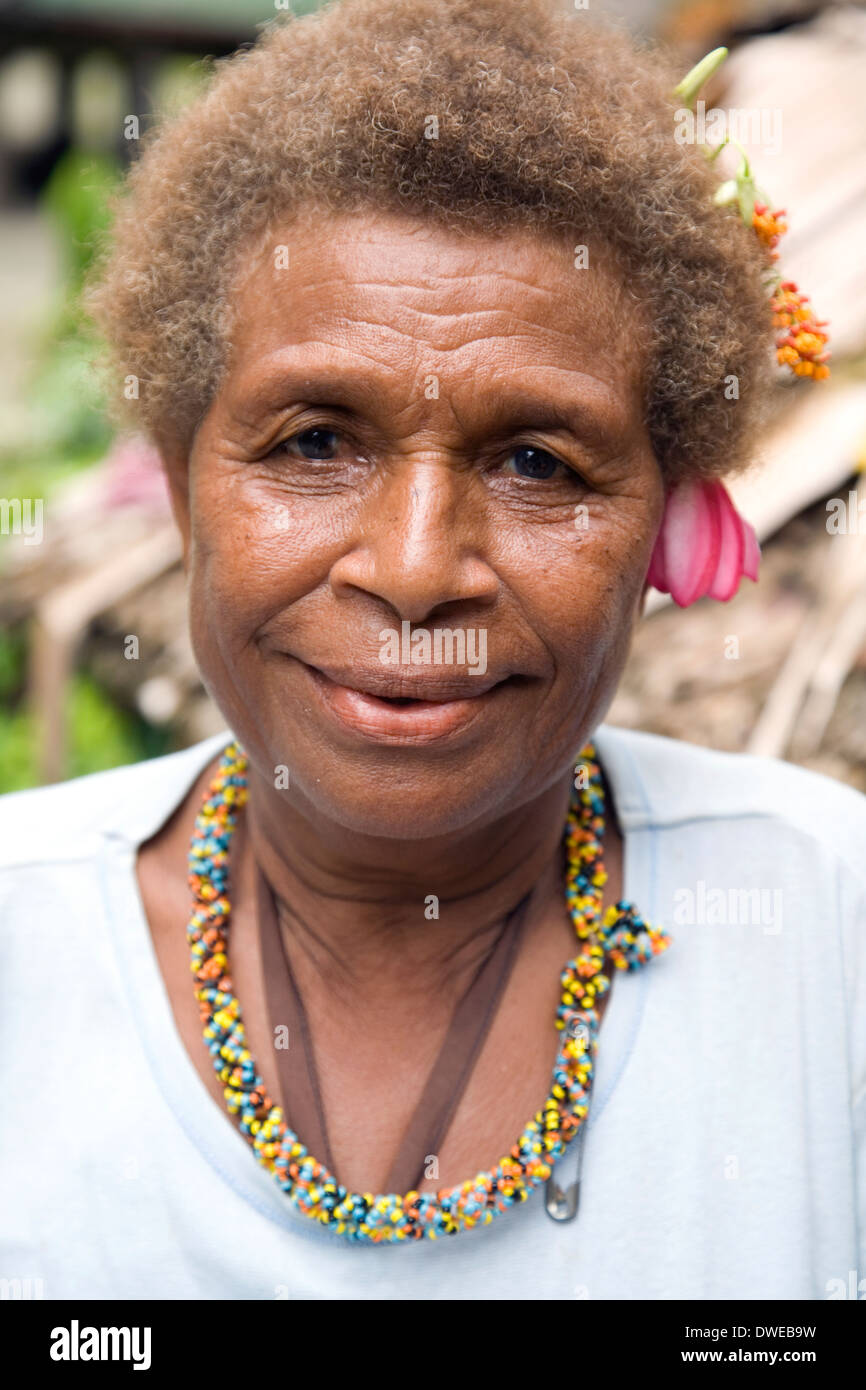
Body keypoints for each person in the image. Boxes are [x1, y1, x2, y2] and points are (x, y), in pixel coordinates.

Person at [0, 0, 862, 1300]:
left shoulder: (829, 941)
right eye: (313, 443)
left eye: (534, 462)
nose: (410, 568)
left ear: (664, 522)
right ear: (180, 490)